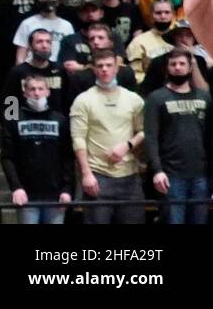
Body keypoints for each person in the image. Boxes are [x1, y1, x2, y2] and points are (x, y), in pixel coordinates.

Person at [69, 49, 146, 224]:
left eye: (109, 65)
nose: (104, 69)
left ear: (116, 68)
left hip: (130, 176)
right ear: (94, 69)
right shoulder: (83, 100)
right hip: (98, 176)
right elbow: (78, 138)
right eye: (100, 66)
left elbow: (144, 130)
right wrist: (86, 174)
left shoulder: (133, 99)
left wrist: (128, 144)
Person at [142, 46, 211, 224]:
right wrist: (157, 170)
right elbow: (151, 137)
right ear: (167, 68)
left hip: (201, 175)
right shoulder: (156, 98)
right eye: (173, 64)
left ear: (190, 68)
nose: (178, 67)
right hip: (170, 176)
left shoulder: (205, 97)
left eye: (182, 63)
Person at [0, 74, 73, 224]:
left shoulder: (59, 120)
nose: (37, 93)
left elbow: (67, 157)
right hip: (26, 195)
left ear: (48, 92)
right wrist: (16, 187)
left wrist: (67, 189)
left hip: (55, 196)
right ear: (25, 92)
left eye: (41, 89)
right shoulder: (13, 119)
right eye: (32, 89)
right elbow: (7, 157)